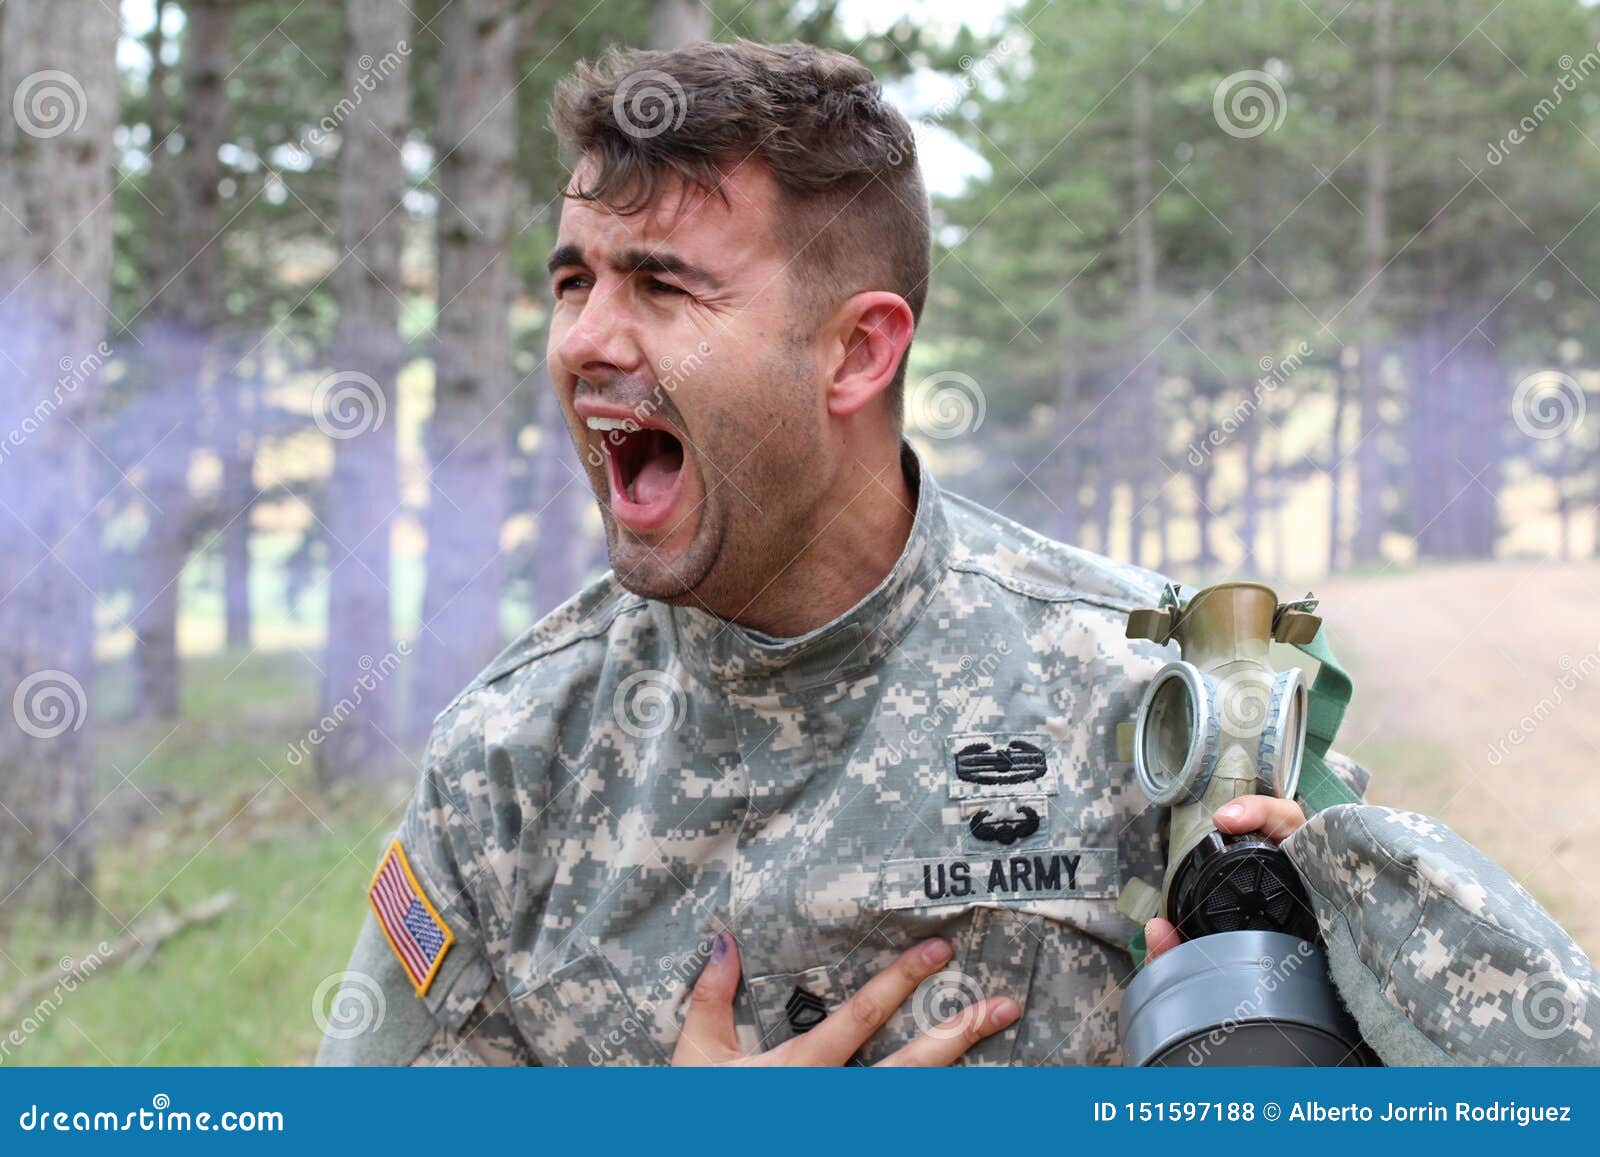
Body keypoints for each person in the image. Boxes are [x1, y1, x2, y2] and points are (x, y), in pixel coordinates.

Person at [318, 39, 1596, 1067]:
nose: (586, 339)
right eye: (569, 282)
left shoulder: (1165, 706)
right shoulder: (507, 765)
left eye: (660, 287)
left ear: (858, 351)